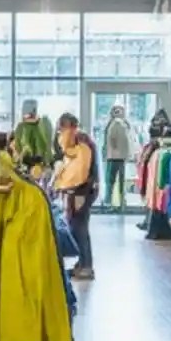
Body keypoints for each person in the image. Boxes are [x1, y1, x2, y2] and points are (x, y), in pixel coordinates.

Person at [54, 113, 98, 280]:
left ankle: (86, 266)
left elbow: (80, 172)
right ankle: (82, 263)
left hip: (81, 191)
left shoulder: (81, 144)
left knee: (80, 229)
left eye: (62, 129)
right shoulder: (81, 144)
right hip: (80, 191)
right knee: (76, 227)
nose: (60, 135)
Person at [102, 105, 132, 207]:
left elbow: (110, 140)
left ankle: (109, 201)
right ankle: (119, 201)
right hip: (119, 156)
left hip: (113, 156)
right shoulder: (123, 124)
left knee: (111, 180)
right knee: (119, 181)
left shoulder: (114, 124)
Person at [12, 103, 53, 177]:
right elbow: (18, 148)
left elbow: (45, 148)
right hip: (30, 165)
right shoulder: (21, 127)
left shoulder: (43, 124)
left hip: (38, 165)